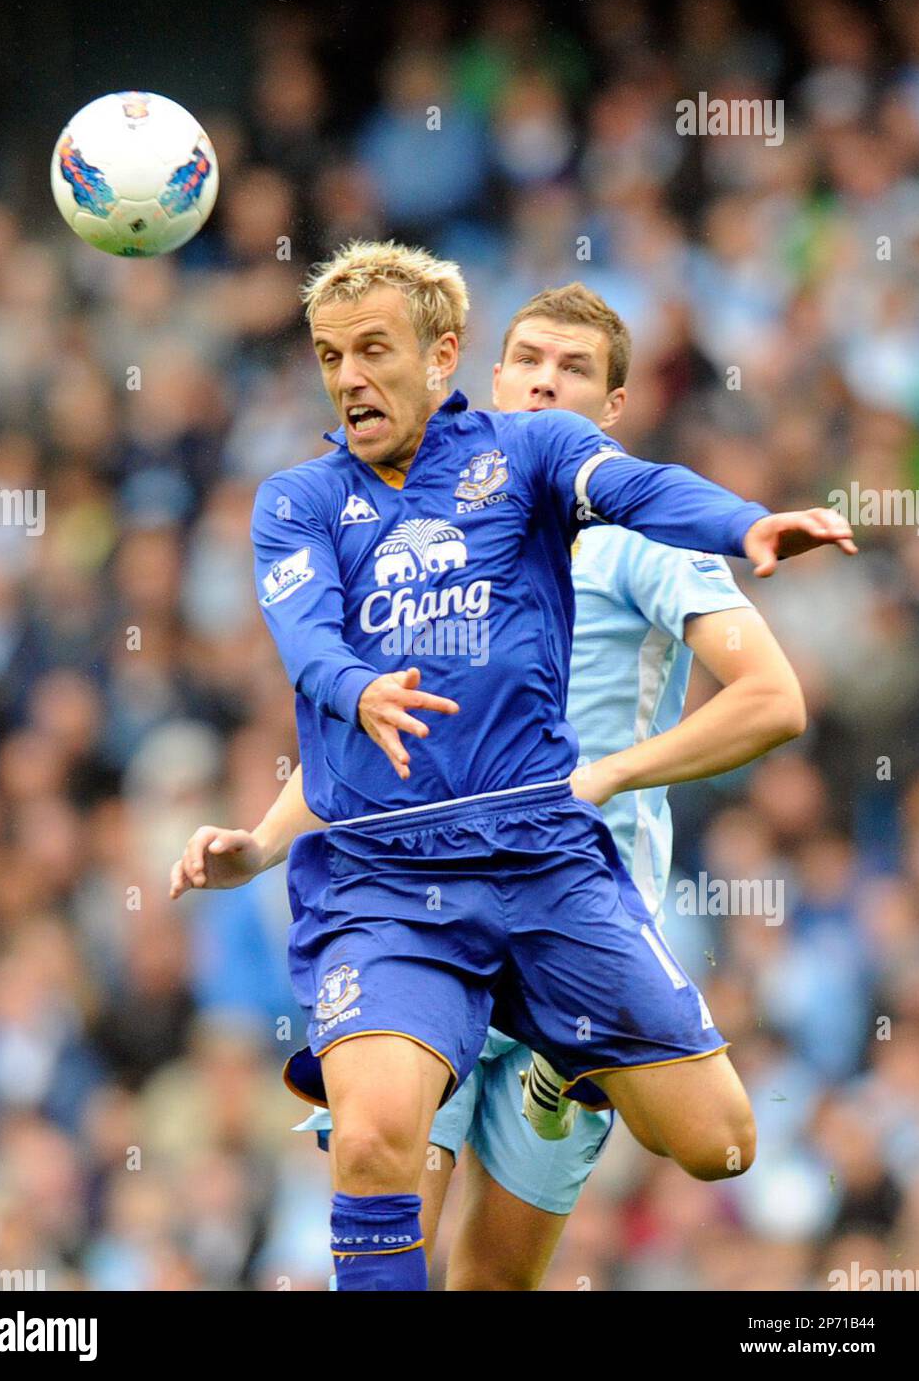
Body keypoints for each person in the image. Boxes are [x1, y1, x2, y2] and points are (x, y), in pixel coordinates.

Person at [171, 241, 855, 1291]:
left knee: (708, 1151)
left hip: (557, 875)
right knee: (377, 1150)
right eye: (329, 355)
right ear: (485, 366)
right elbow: (324, 675)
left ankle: (559, 1058)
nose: (348, 376)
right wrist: (279, 816)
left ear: (440, 358)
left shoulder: (562, 489)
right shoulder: (310, 501)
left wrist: (743, 523)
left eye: (572, 369)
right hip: (398, 884)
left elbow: (656, 509)